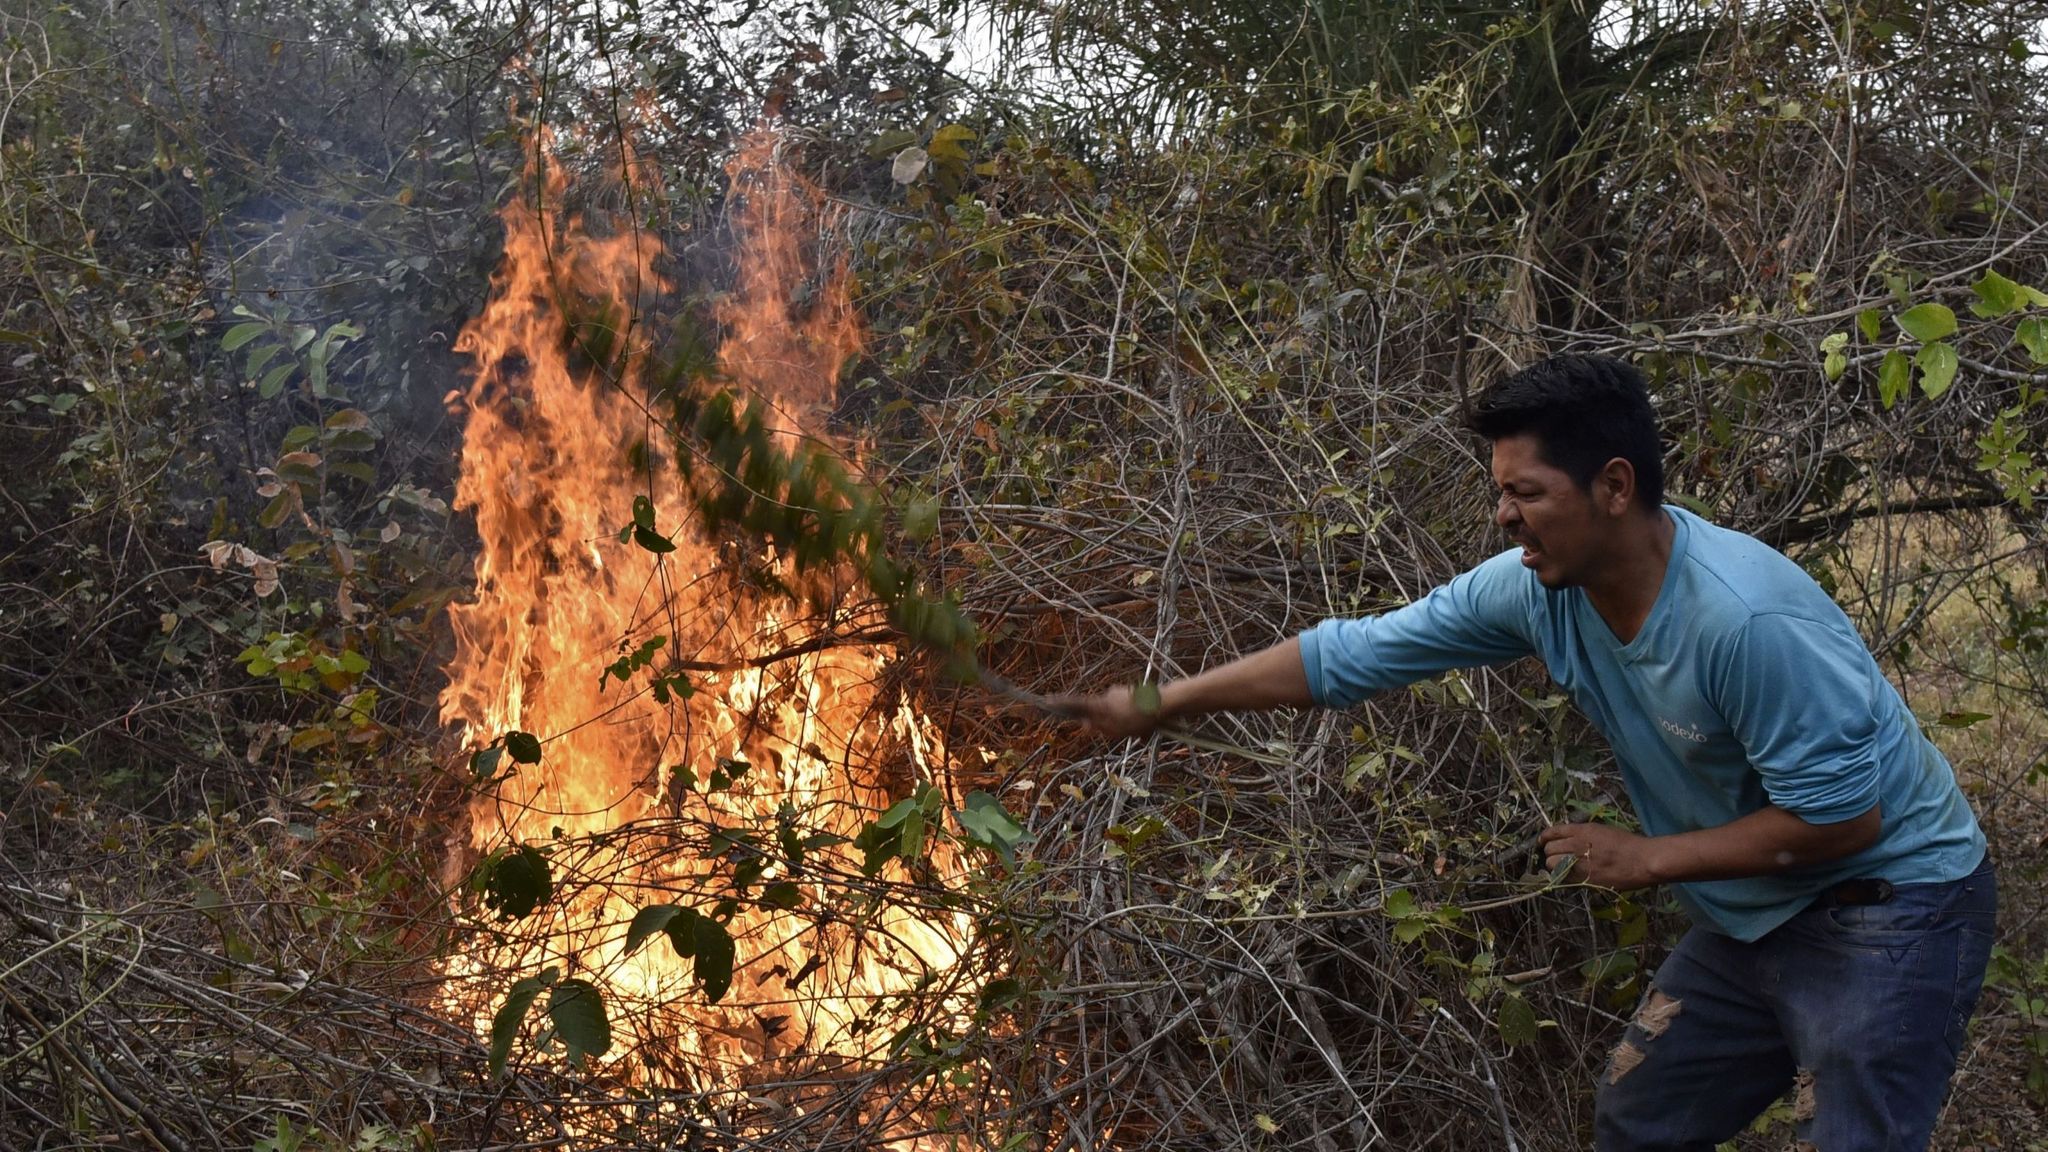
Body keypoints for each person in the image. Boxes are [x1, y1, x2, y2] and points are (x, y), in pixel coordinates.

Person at [1055, 353, 1995, 1151]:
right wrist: (1164, 701)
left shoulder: (1746, 623)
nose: (1503, 517)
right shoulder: (1536, 589)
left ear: (1614, 487)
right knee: (1640, 1118)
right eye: (1498, 492)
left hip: (1889, 907)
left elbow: (1843, 818)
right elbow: (1353, 654)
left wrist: (1650, 858)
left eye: (1526, 493)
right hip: (1754, 912)